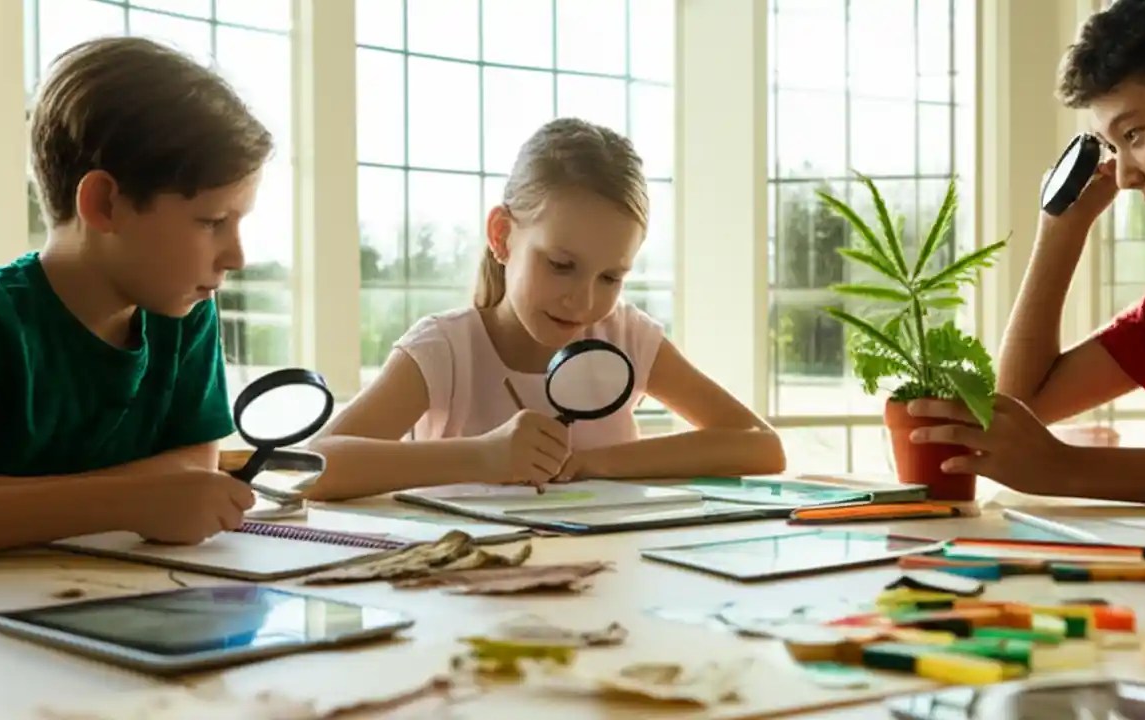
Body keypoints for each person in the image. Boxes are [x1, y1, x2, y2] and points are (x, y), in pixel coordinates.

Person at [308, 118, 786, 500]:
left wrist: (597, 461)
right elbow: (312, 468)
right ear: (502, 236)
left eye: (611, 278)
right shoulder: (445, 350)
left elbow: (761, 446)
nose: (583, 301)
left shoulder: (625, 336)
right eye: (561, 265)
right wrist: (481, 457)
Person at [908, 0, 1145, 506]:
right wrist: (1060, 230)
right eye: (1115, 148)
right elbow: (1024, 402)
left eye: (1135, 134)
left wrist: (1069, 468)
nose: (1127, 177)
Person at [0, 37, 268, 554]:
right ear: (104, 204)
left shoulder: (185, 310)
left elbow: (194, 467)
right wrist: (127, 501)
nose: (236, 257)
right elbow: (167, 491)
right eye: (212, 221)